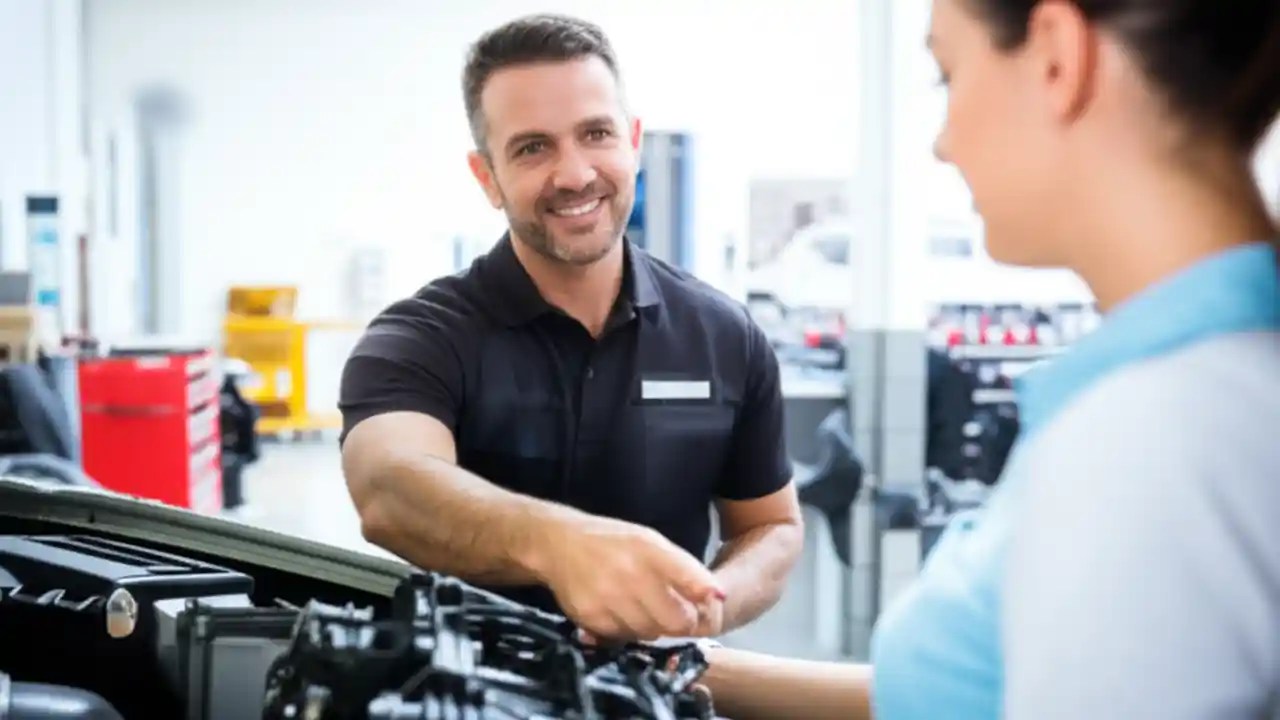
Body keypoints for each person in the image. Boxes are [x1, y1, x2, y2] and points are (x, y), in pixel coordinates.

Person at [696, 0, 1280, 718]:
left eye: (947, 74)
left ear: (1057, 59)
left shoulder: (1152, 436)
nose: (941, 144)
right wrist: (701, 670)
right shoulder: (1207, 387)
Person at [338, 14, 802, 644]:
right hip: (472, 685)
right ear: (487, 178)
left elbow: (772, 525)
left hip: (660, 685)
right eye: (533, 147)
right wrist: (559, 546)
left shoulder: (723, 336)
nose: (576, 174)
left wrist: (712, 601)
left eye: (596, 134)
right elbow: (389, 486)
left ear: (631, 141)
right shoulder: (422, 337)